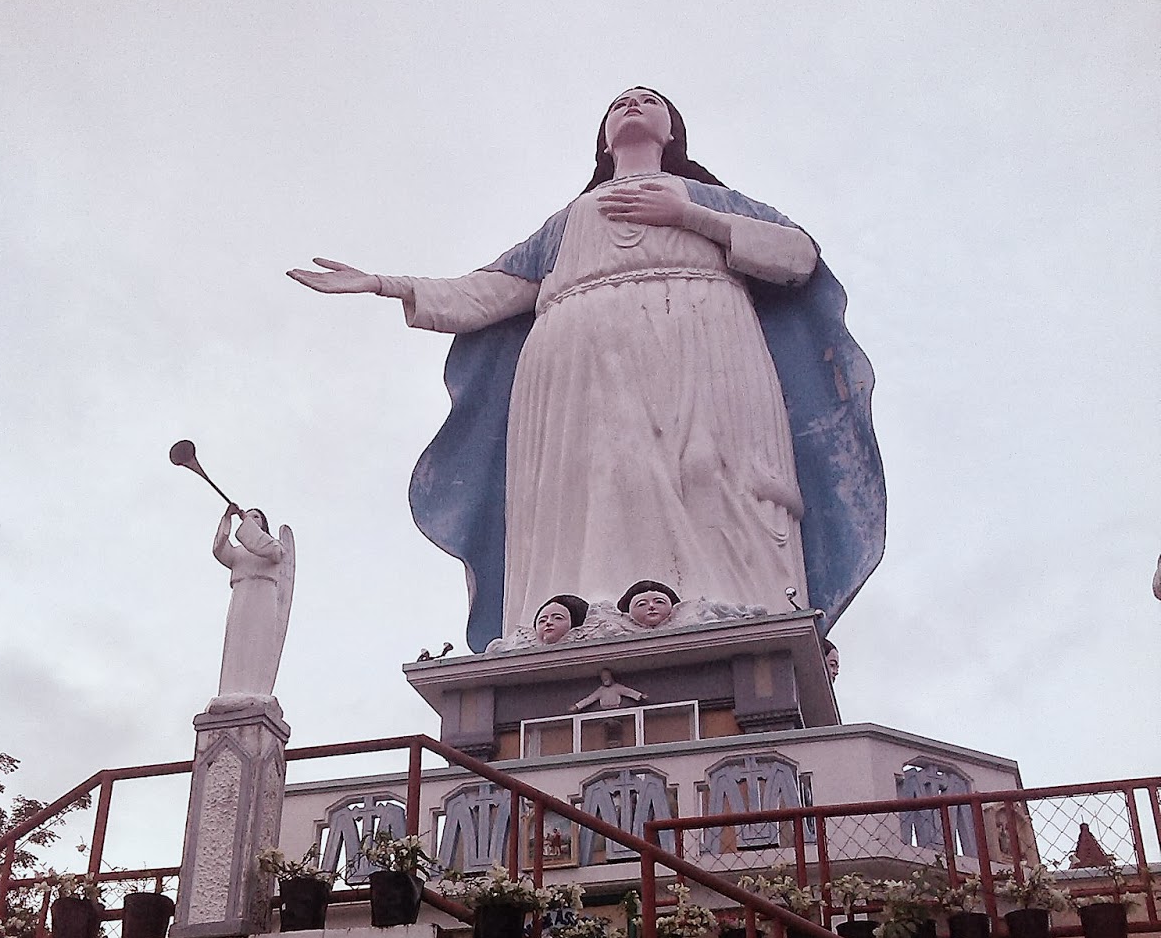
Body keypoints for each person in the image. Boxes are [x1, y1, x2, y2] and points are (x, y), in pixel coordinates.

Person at [289, 89, 884, 650]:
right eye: (620, 103)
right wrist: (385, 284)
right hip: (579, 363)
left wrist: (689, 215)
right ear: (603, 141)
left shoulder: (714, 201)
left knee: (711, 471)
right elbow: (492, 292)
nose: (632, 103)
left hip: (702, 344)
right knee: (592, 481)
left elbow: (797, 258)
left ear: (672, 132)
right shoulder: (572, 219)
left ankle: (734, 611)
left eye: (649, 100)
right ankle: (573, 614)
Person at [212, 505, 295, 700]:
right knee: (237, 641)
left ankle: (256, 690)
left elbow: (266, 548)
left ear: (263, 523)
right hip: (242, 594)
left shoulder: (275, 546)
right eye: (248, 516)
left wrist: (246, 523)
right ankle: (231, 691)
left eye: (256, 517)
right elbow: (220, 550)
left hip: (263, 597)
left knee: (257, 641)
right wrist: (227, 519)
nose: (250, 519)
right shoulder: (239, 552)